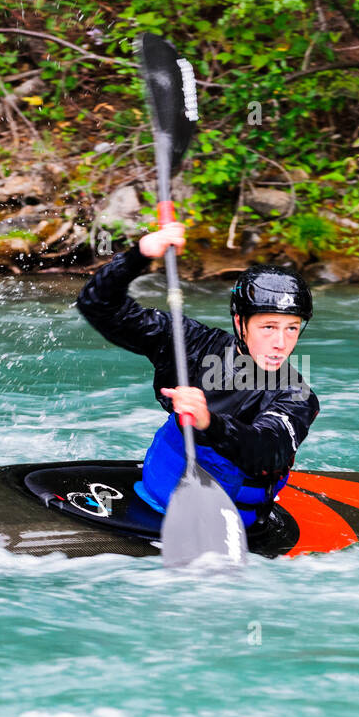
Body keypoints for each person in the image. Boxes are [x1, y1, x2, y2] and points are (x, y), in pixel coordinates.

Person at [77, 221, 319, 528]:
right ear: (240, 322)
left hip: (224, 520)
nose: (281, 342)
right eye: (268, 327)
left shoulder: (296, 394)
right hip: (152, 493)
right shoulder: (190, 345)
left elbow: (268, 451)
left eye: (292, 328)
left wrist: (210, 423)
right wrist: (138, 256)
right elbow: (97, 305)